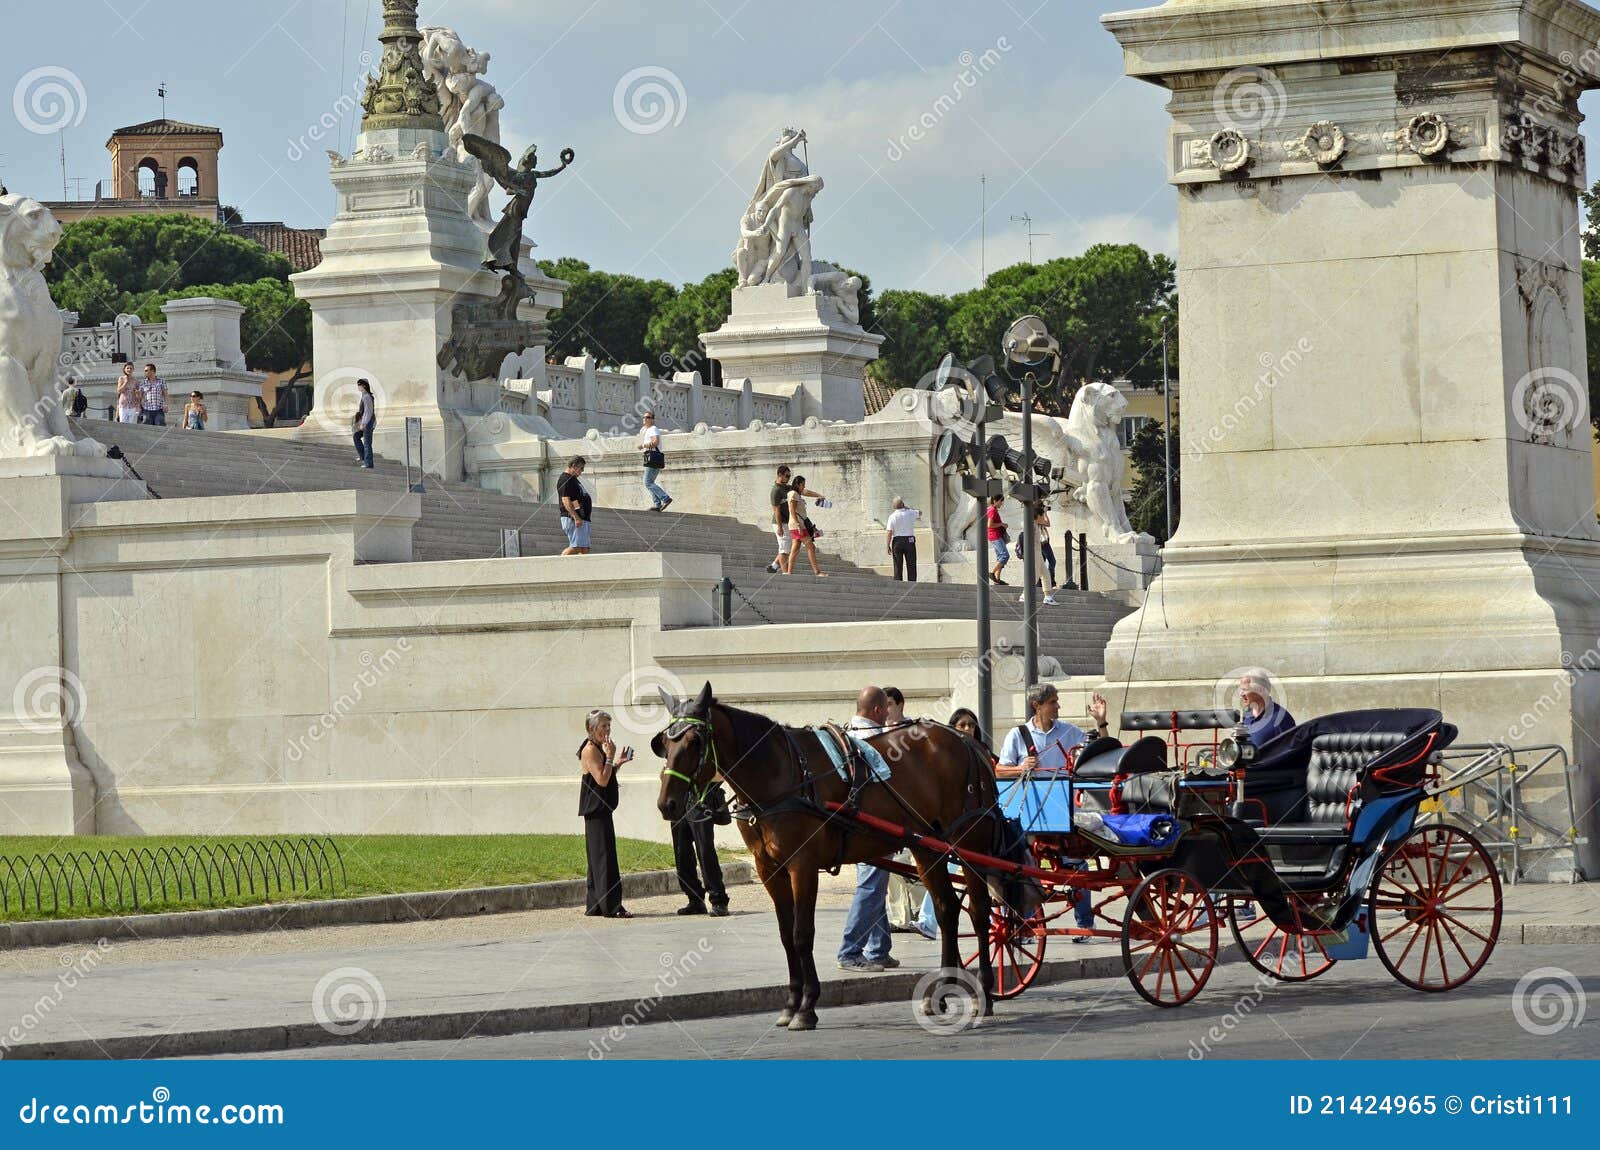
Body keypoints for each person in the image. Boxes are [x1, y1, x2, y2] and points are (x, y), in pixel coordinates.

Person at [999, 684, 1111, 942]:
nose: (1058, 706)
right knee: (1025, 864)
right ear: (1036, 706)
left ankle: (1084, 923)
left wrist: (1101, 721)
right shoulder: (1018, 735)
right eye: (1053, 702)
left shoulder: (1069, 732)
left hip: (1062, 811)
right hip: (1028, 813)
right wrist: (1020, 768)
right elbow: (1000, 771)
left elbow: (1102, 751)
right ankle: (1026, 924)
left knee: (1075, 862)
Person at [838, 686, 896, 972]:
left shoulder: (846, 733)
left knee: (875, 885)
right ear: (876, 711)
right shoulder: (875, 740)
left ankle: (879, 949)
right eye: (885, 708)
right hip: (874, 825)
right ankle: (850, 951)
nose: (888, 713)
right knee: (872, 885)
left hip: (855, 823)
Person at [578, 709, 632, 918]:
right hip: (596, 812)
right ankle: (612, 907)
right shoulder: (590, 750)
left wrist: (617, 762)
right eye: (603, 726)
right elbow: (601, 779)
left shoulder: (598, 748)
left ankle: (596, 905)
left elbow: (605, 775)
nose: (607, 730)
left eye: (609, 726)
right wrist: (610, 757)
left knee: (598, 859)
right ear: (592, 729)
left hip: (601, 810)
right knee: (605, 859)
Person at [671, 784, 730, 917]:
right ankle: (695, 899)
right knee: (681, 852)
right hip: (679, 799)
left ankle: (718, 900)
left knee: (705, 850)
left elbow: (721, 774)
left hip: (701, 799)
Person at [785, 475, 828, 577]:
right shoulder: (793, 494)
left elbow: (807, 492)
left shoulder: (797, 493)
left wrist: (819, 495)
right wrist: (797, 524)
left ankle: (789, 571)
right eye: (802, 485)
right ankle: (817, 572)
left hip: (797, 524)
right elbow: (792, 510)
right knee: (811, 547)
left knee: (795, 548)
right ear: (797, 485)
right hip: (798, 525)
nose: (804, 487)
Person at [1238, 669, 1295, 743]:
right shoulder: (1245, 717)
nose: (1241, 694)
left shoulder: (1281, 719)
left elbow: (1292, 751)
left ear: (1260, 690)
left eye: (1245, 689)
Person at [557, 456, 593, 556]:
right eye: (581, 468)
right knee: (576, 547)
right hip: (573, 518)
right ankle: (559, 565)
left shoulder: (573, 479)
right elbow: (565, 499)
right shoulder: (565, 479)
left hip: (581, 518)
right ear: (573, 466)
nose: (582, 471)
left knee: (584, 548)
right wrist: (576, 517)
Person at [639, 411, 672, 512]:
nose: (645, 419)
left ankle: (665, 498)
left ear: (652, 419)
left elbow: (655, 442)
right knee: (650, 482)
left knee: (647, 482)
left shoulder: (653, 429)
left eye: (648, 417)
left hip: (652, 458)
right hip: (652, 459)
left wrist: (643, 445)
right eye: (644, 417)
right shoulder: (649, 430)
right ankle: (657, 504)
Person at [1030, 503, 1059, 606]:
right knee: (1035, 574)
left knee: (1045, 574)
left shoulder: (1035, 524)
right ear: (1038, 516)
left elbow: (1047, 523)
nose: (1043, 517)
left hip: (1037, 551)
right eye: (1042, 515)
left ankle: (1048, 597)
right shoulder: (1031, 525)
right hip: (1034, 552)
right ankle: (1025, 594)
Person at [885, 497, 920, 582]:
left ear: (894, 507)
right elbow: (920, 513)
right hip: (909, 540)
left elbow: (889, 532)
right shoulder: (910, 513)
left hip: (897, 541)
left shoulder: (892, 516)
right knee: (911, 563)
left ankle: (898, 582)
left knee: (897, 565)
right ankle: (912, 582)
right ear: (903, 504)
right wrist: (909, 508)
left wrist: (887, 545)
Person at [352, 379, 376, 468]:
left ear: (364, 386)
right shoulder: (364, 395)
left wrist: (364, 423)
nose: (358, 386)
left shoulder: (366, 397)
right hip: (366, 422)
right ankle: (363, 457)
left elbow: (368, 412)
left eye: (359, 384)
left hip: (368, 423)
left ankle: (368, 463)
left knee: (367, 443)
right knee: (356, 436)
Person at [987, 495, 1009, 585]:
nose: (1002, 503)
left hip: (994, 535)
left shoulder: (991, 509)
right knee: (1005, 556)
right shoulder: (992, 510)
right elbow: (990, 525)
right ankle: (992, 573)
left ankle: (997, 579)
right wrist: (1001, 524)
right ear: (995, 501)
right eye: (1001, 501)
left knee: (1000, 557)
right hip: (995, 535)